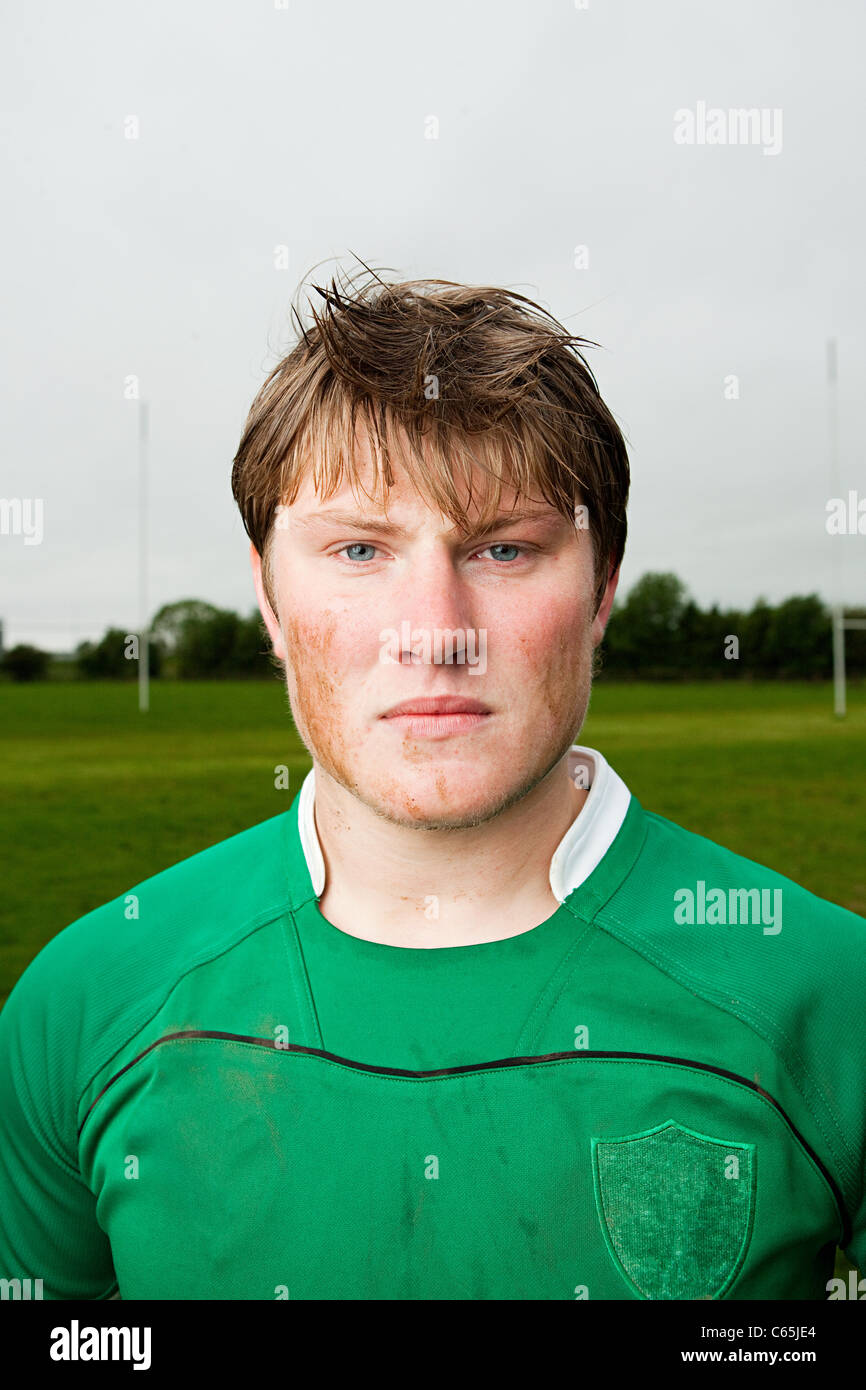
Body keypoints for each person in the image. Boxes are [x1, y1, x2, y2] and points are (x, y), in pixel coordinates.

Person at [1, 267, 864, 1301]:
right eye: (358, 548)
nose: (433, 630)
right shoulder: (85, 998)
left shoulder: (828, 993)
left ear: (599, 593)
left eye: (504, 547)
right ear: (269, 601)